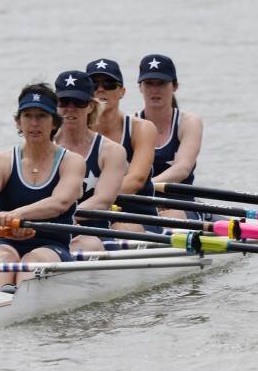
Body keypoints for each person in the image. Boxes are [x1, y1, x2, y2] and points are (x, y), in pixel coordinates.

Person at [0, 83, 84, 292]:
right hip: (4, 242)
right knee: (4, 259)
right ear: (18, 122)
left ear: (55, 123)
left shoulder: (72, 162)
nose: (34, 123)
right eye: (28, 115)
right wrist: (1, 226)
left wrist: (16, 215)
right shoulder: (2, 161)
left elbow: (60, 202)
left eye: (41, 116)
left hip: (52, 245)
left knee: (31, 262)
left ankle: (12, 301)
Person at [52, 70, 127, 252]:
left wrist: (57, 217)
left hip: (94, 233)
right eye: (64, 102)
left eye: (78, 102)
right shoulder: (43, 147)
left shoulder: (111, 151)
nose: (70, 108)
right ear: (55, 106)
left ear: (91, 107)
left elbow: (102, 200)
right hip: (48, 230)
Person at [87, 58, 160, 232]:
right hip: (90, 214)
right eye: (93, 84)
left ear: (122, 91)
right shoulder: (71, 133)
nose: (101, 89)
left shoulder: (142, 128)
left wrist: (93, 200)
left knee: (121, 228)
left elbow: (136, 180)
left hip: (136, 214)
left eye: (109, 84)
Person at [137, 53, 204, 220]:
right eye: (149, 84)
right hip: (141, 204)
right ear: (140, 87)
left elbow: (182, 169)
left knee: (171, 216)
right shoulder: (131, 125)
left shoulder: (189, 122)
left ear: (174, 86)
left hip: (180, 204)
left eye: (161, 84)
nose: (154, 90)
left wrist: (146, 186)